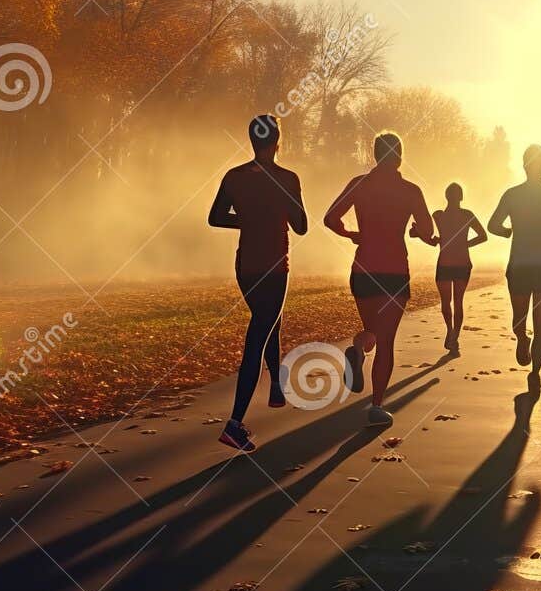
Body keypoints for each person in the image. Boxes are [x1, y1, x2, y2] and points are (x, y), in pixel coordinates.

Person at [208, 114, 308, 452]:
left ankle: (277, 385)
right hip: (275, 265)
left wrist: (248, 221)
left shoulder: (234, 177)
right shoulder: (288, 178)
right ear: (278, 142)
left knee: (269, 321)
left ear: (251, 141)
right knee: (260, 331)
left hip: (245, 266)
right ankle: (234, 424)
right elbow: (302, 226)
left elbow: (216, 218)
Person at [324, 132, 435, 426]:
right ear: (399, 156)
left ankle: (359, 348)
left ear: (375, 155)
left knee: (371, 330)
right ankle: (376, 407)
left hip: (363, 268)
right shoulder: (410, 191)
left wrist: (351, 234)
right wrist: (416, 233)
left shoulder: (360, 184)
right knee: (385, 341)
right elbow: (427, 230)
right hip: (394, 271)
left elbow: (330, 218)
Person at [488, 145, 541, 377]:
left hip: (524, 264)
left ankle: (535, 372)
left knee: (538, 324)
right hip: (540, 264)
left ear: (524, 165)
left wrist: (509, 231)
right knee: (524, 322)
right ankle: (522, 339)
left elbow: (493, 226)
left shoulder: (515, 195)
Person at [425, 183, 488, 353]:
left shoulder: (438, 215)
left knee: (447, 302)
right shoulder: (466, 215)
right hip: (461, 262)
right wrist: (464, 244)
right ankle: (454, 335)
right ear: (461, 197)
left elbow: (431, 240)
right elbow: (483, 236)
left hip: (446, 262)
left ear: (447, 196)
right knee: (457, 301)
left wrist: (428, 237)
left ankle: (451, 332)